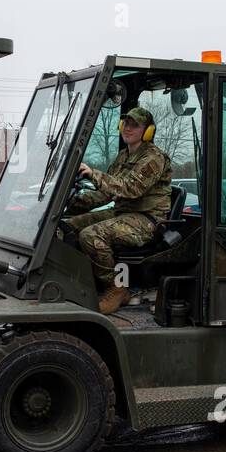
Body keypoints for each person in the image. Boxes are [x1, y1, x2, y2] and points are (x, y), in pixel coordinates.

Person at [65, 106, 173, 314]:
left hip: (147, 220)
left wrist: (93, 174)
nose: (128, 128)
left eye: (135, 125)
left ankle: (117, 288)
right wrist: (70, 203)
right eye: (125, 123)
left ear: (148, 131)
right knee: (67, 226)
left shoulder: (154, 158)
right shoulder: (123, 156)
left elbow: (129, 188)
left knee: (91, 235)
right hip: (122, 214)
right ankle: (77, 281)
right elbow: (106, 194)